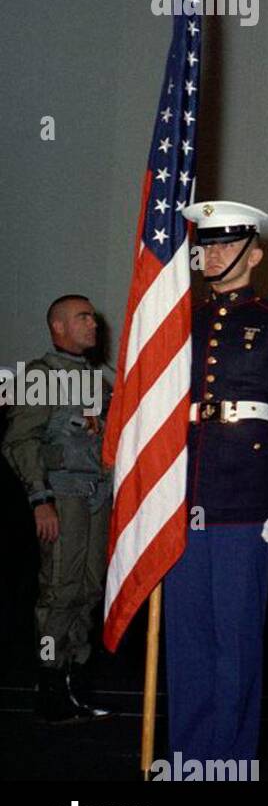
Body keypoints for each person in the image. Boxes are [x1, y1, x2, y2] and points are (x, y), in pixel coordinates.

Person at [166, 200, 268, 765]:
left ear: (255, 253)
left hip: (247, 501)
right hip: (184, 497)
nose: (213, 253)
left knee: (237, 646)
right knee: (188, 642)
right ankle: (190, 760)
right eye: (208, 244)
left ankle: (228, 764)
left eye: (226, 243)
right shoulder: (177, 325)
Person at [2, 295, 113, 722]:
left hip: (97, 495)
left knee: (88, 591)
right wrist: (39, 498)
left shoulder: (100, 378)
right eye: (83, 318)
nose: (93, 325)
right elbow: (19, 441)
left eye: (93, 317)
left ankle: (74, 679)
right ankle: (49, 681)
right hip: (61, 495)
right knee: (59, 592)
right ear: (58, 326)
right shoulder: (40, 376)